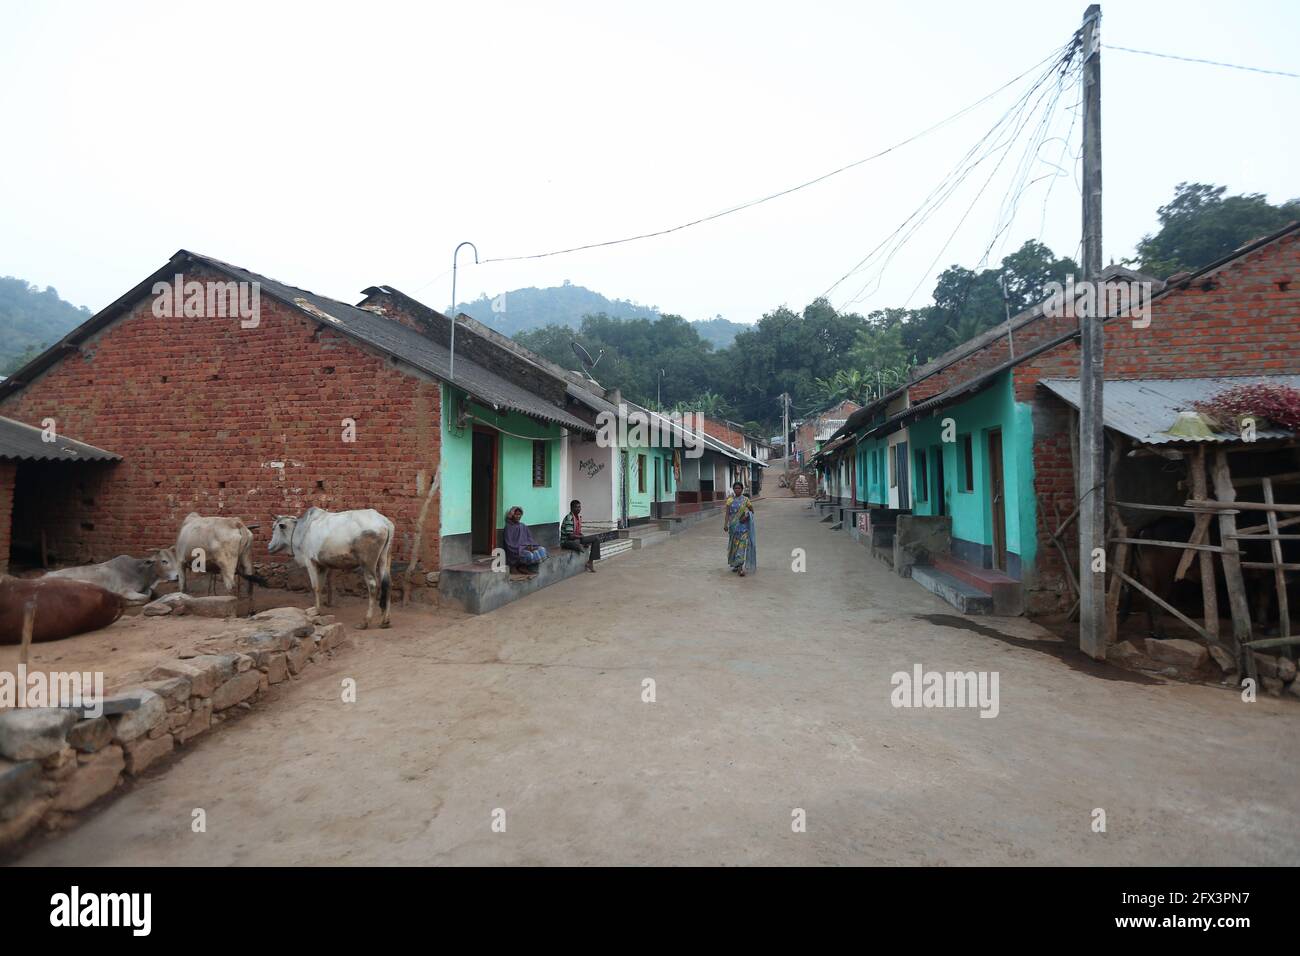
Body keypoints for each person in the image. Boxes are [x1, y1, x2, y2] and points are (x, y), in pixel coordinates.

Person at [723, 481, 757, 577]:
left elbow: (752, 511)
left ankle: (740, 568)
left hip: (743, 529)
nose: (737, 490)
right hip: (733, 528)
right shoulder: (730, 500)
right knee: (734, 547)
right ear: (733, 489)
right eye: (735, 488)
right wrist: (725, 524)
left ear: (742, 489)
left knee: (741, 547)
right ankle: (736, 564)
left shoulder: (746, 500)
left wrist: (746, 516)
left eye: (739, 488)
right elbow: (727, 514)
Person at [503, 506, 547, 576]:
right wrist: (524, 548)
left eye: (519, 514)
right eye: (516, 514)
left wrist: (532, 546)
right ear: (511, 515)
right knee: (528, 555)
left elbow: (529, 538)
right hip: (515, 551)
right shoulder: (508, 528)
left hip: (525, 547)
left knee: (542, 550)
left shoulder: (522, 526)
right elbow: (509, 544)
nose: (518, 516)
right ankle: (514, 567)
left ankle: (523, 567)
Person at [560, 499, 601, 572]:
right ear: (572, 508)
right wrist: (581, 537)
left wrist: (582, 536)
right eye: (577, 507)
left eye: (579, 507)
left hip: (576, 539)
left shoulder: (578, 517)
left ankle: (590, 562)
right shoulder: (569, 518)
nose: (579, 509)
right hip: (566, 541)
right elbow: (570, 536)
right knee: (578, 544)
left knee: (596, 539)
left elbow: (577, 532)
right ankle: (579, 546)